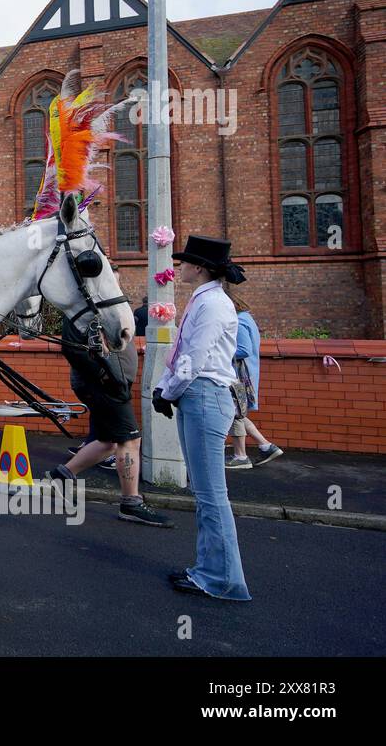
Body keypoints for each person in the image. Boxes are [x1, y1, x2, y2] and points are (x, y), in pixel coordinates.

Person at [153, 234, 251, 601]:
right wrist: (166, 388)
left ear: (200, 267)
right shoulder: (204, 300)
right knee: (205, 493)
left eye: (184, 261)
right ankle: (209, 570)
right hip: (197, 396)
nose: (179, 266)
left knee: (212, 496)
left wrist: (169, 390)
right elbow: (183, 356)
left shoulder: (212, 305)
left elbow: (195, 358)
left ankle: (222, 580)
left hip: (205, 397)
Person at [47, 312, 173, 527]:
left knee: (108, 441)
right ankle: (130, 503)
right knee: (129, 440)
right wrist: (104, 376)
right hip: (107, 387)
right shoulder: (82, 309)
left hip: (112, 383)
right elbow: (71, 349)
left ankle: (61, 476)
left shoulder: (104, 304)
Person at [225, 287, 282, 469]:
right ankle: (266, 446)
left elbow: (244, 349)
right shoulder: (246, 318)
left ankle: (241, 456)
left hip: (240, 375)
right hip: (244, 373)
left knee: (236, 414)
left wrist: (219, 351)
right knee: (237, 412)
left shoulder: (240, 321)